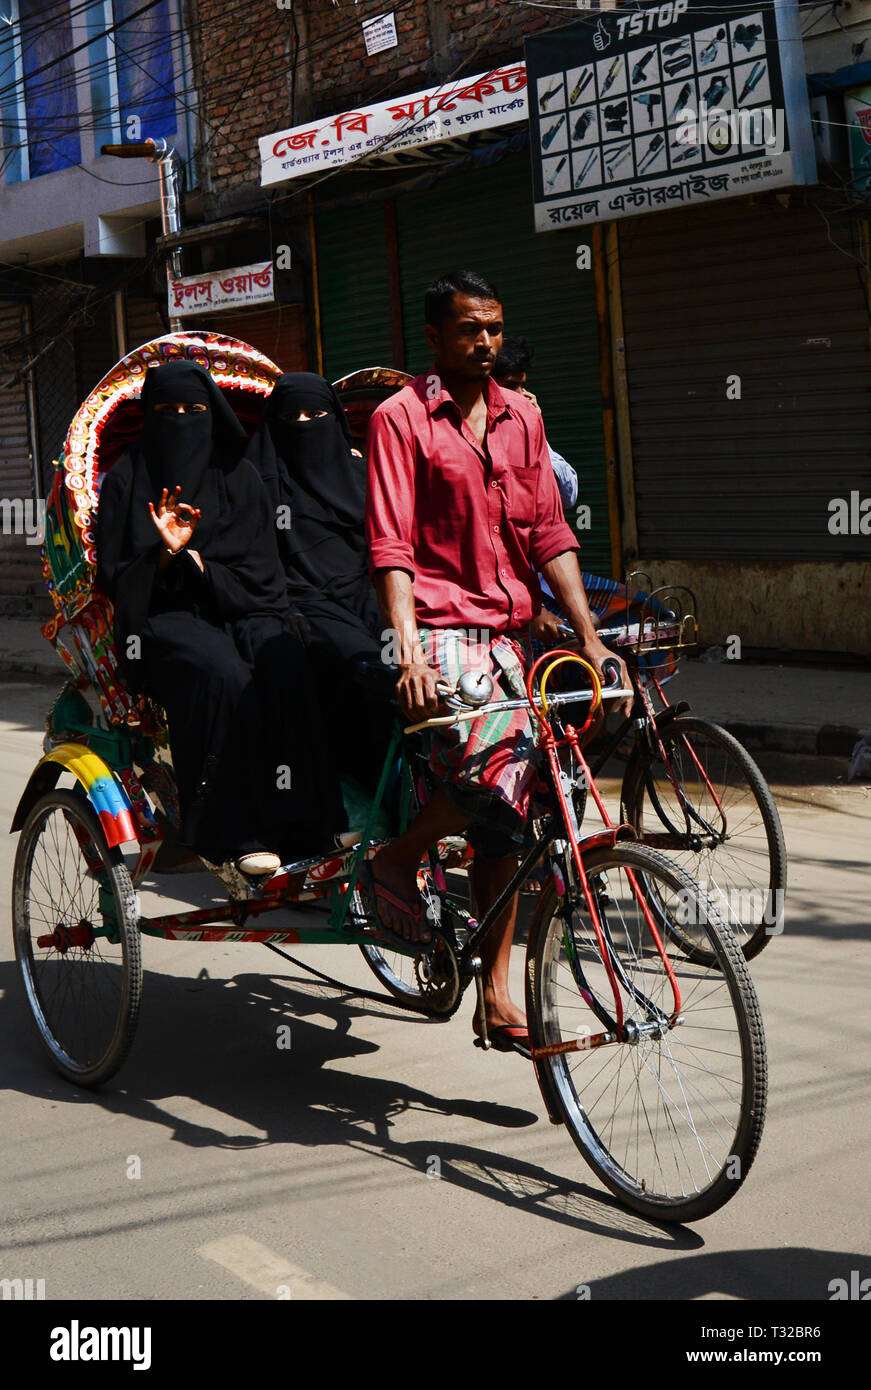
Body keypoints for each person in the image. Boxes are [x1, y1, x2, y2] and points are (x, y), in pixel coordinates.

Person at [364, 269, 629, 1051]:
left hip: (514, 629)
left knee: (525, 810)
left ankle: (497, 989)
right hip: (441, 629)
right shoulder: (399, 418)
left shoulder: (523, 420)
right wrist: (407, 653)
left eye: (494, 329)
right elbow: (391, 545)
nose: (487, 343)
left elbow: (550, 534)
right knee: (493, 772)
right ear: (436, 338)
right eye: (470, 330)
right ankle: (398, 856)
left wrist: (588, 634)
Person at [96, 360, 344, 875]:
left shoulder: (240, 476)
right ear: (150, 418)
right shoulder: (127, 478)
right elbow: (115, 579)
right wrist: (165, 557)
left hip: (243, 605)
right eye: (168, 412)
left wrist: (203, 565)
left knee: (285, 663)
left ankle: (305, 823)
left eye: (194, 410)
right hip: (163, 615)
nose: (183, 421)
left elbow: (261, 570)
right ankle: (233, 831)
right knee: (222, 675)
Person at [245, 372, 394, 799]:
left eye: (316, 414)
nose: (305, 425)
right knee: (366, 667)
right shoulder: (260, 482)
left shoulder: (363, 473)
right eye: (292, 416)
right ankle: (369, 790)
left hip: (369, 591)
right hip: (304, 601)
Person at [492, 336, 578, 511]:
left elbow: (568, 494)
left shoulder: (526, 423)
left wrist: (533, 431)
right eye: (511, 386)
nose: (521, 395)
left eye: (521, 386)